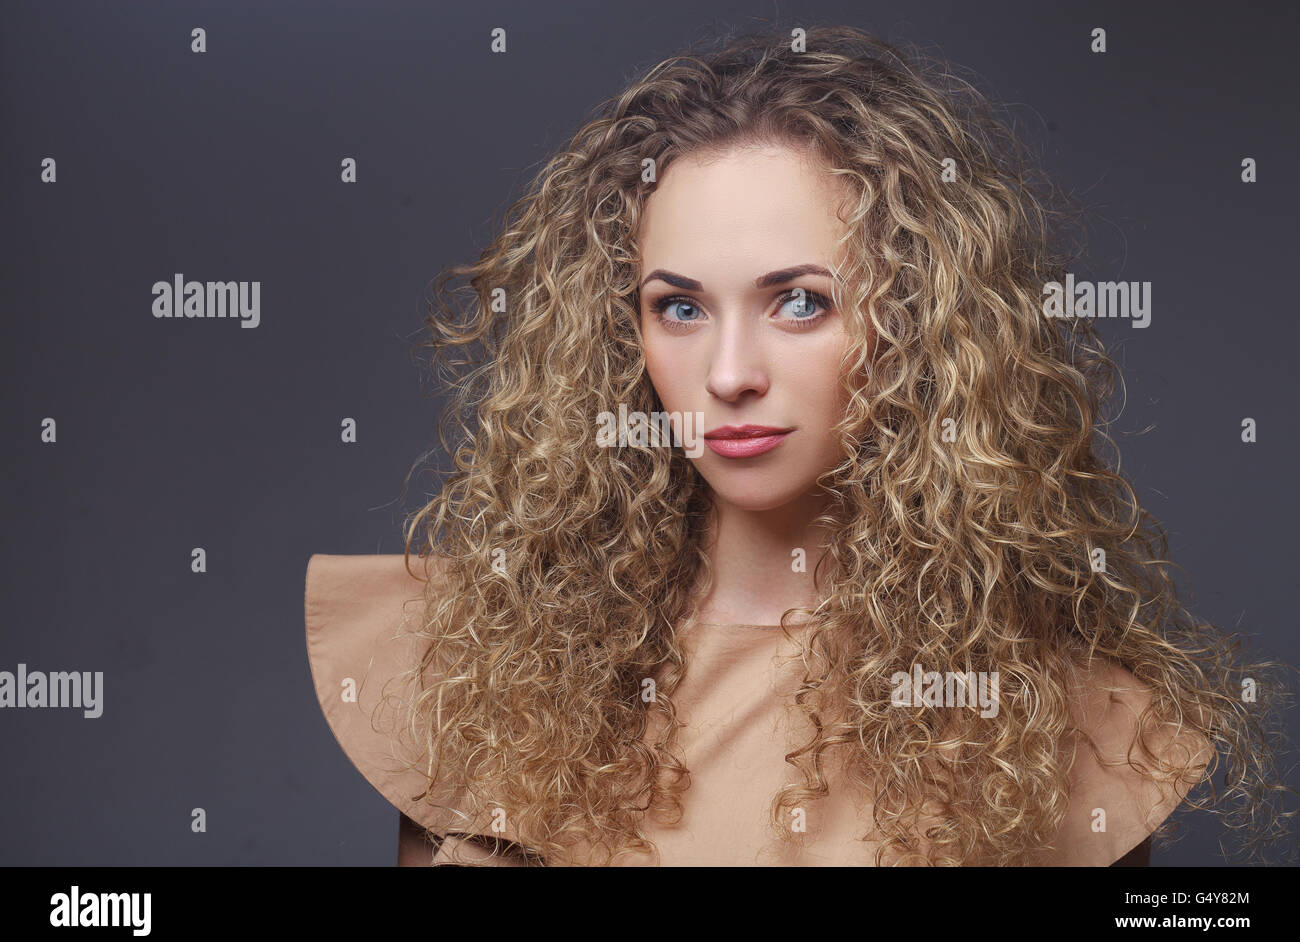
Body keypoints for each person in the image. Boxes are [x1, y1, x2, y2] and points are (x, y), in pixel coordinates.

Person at [305, 24, 1294, 866]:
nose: (730, 369)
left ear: (914, 320)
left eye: (800, 301)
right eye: (680, 305)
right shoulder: (492, 666)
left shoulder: (1065, 731)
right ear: (621, 332)